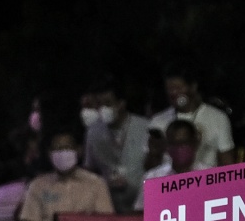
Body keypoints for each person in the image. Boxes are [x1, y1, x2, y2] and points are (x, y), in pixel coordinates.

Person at [80, 76, 151, 211]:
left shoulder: (145, 127)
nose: (102, 109)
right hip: (109, 205)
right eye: (99, 105)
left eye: (107, 104)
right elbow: (90, 169)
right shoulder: (93, 132)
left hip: (142, 204)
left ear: (121, 103)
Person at [148, 69, 234, 167]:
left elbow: (227, 163)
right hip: (170, 181)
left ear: (193, 87)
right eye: (170, 89)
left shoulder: (218, 118)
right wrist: (154, 153)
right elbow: (149, 168)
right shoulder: (157, 121)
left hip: (206, 180)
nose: (174, 93)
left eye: (178, 88)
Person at [134, 117, 200, 207]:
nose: (179, 148)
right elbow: (140, 211)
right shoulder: (153, 177)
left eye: (183, 143)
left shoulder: (210, 176)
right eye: (173, 143)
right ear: (167, 146)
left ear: (194, 143)